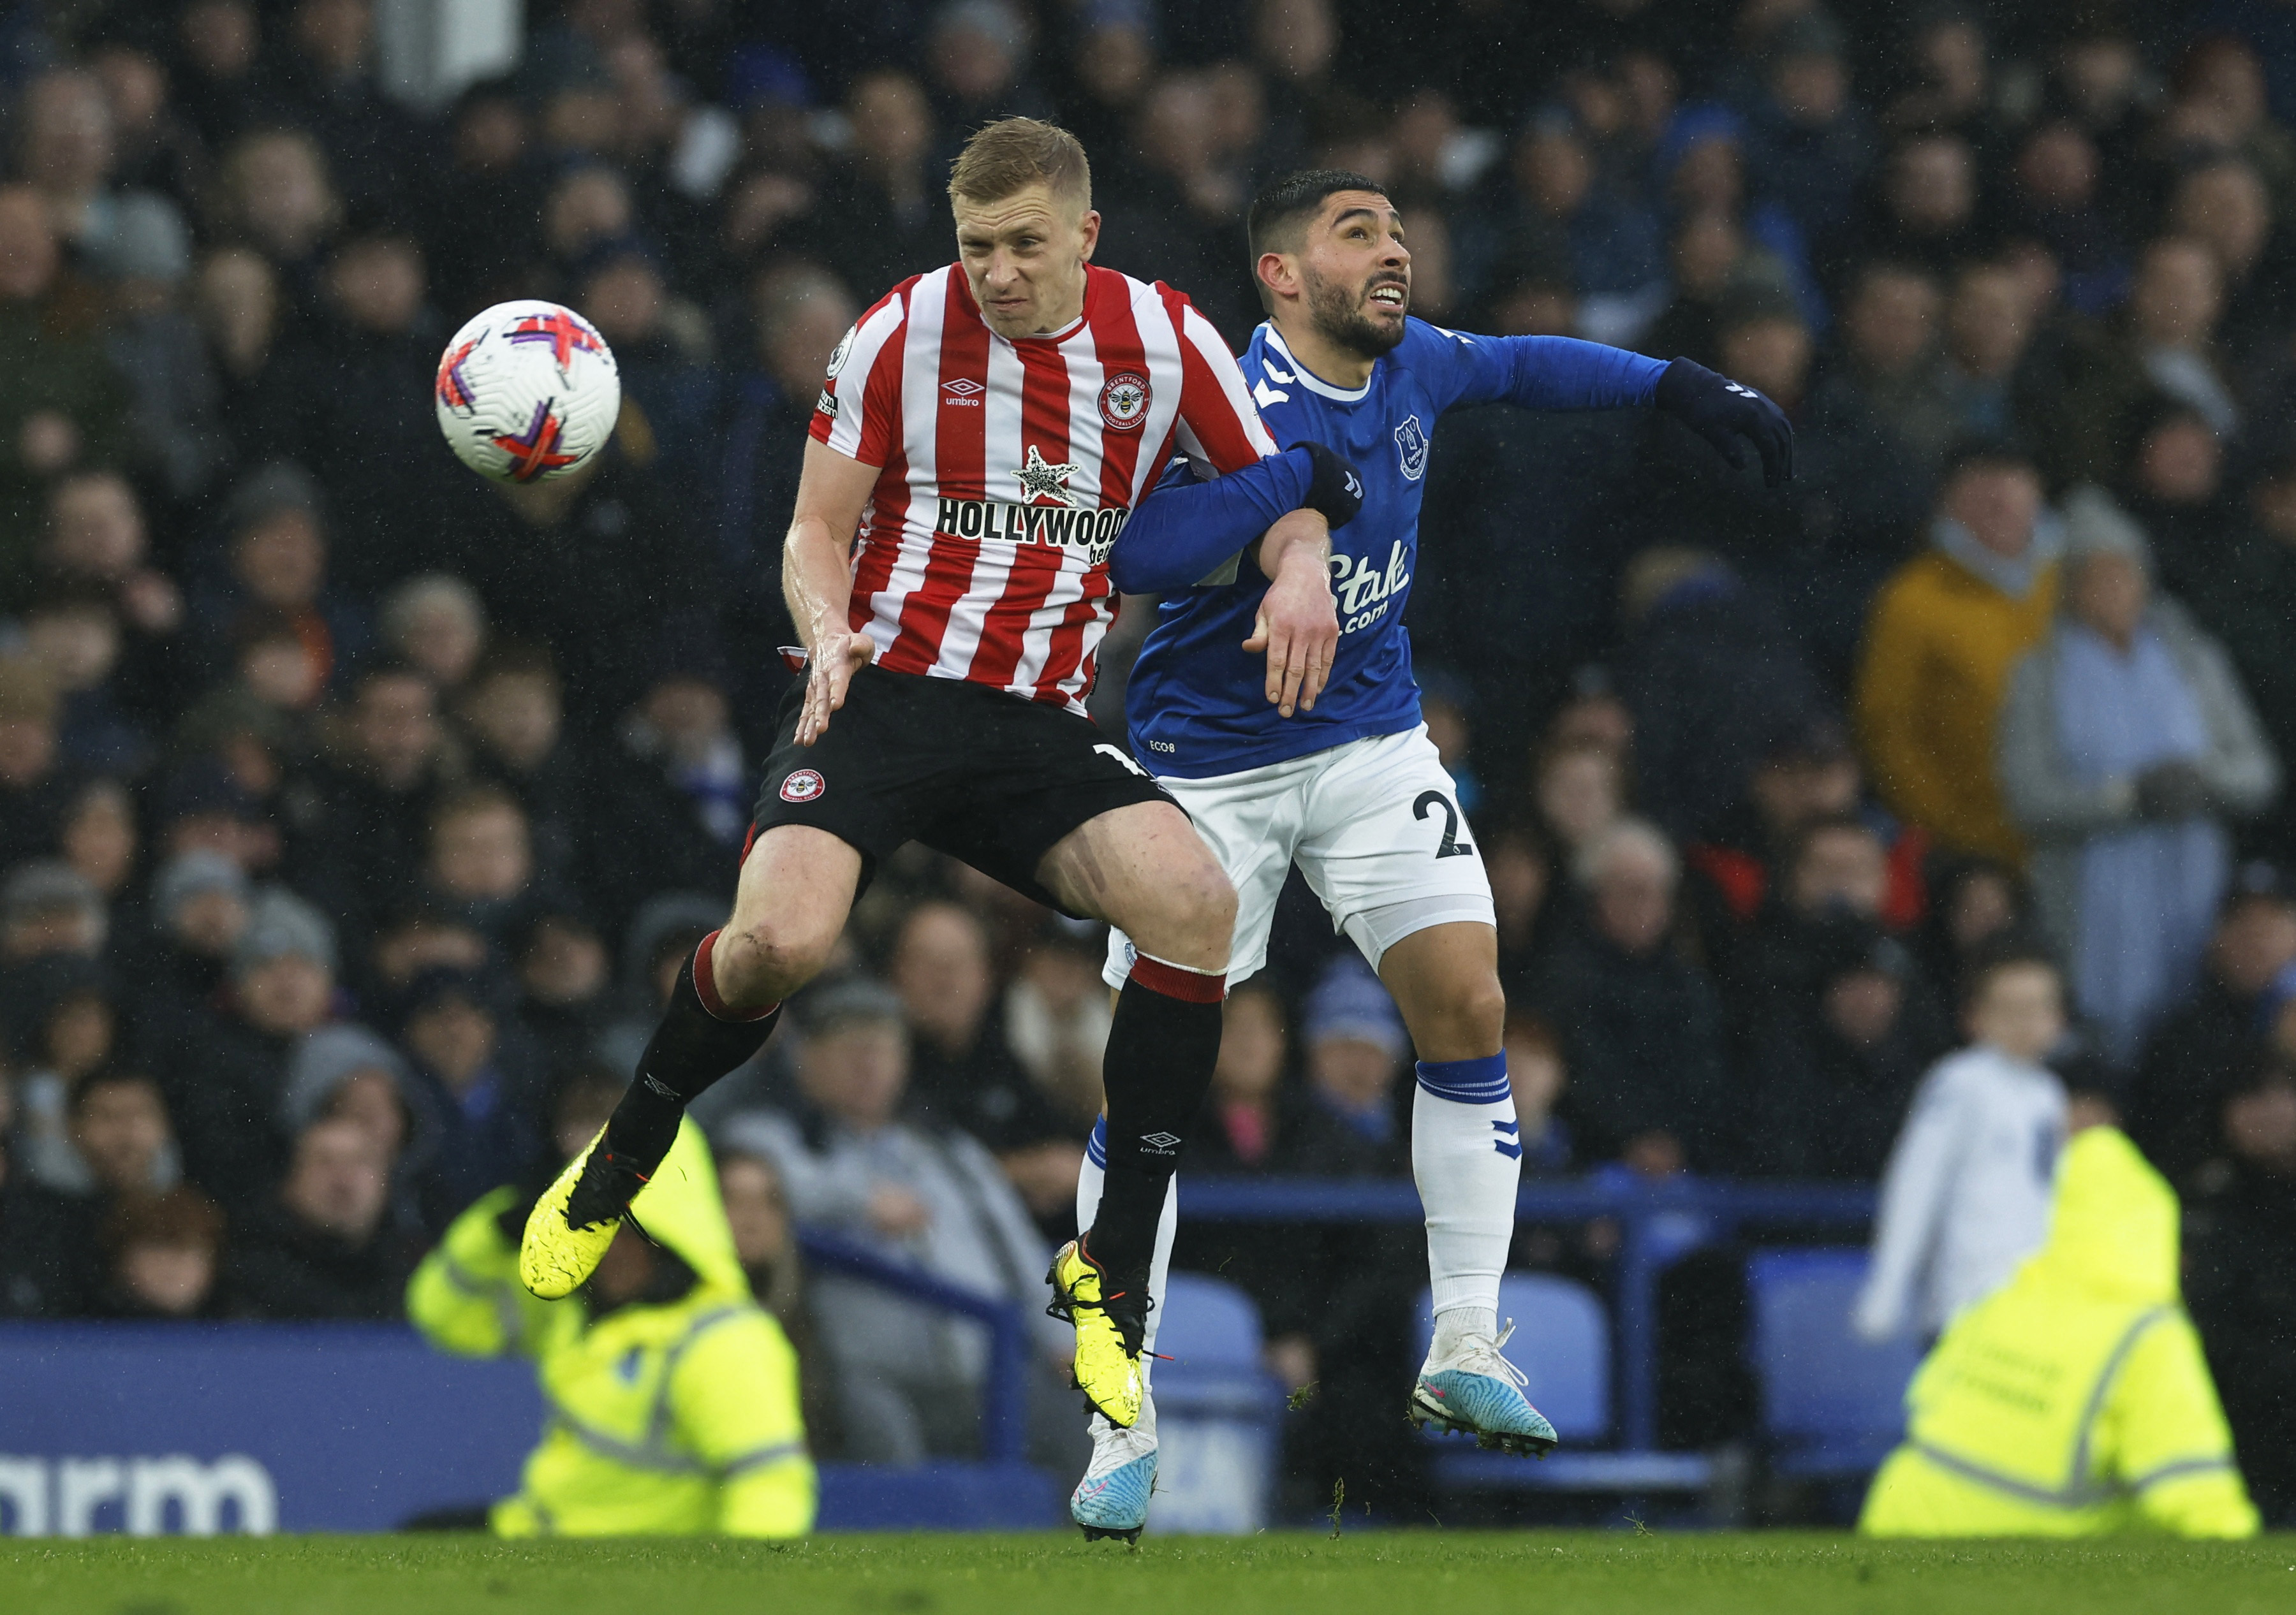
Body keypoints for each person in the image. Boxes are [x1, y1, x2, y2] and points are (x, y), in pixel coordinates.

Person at [518, 118, 1363, 1454]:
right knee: (776, 944)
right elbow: (814, 528)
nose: (999, 273)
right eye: (978, 247)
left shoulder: (1167, 342)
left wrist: (1304, 562)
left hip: (1032, 722)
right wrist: (829, 621)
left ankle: (1113, 1268)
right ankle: (624, 1154)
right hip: (880, 695)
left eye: (1027, 246)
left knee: (1197, 905)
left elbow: (1282, 490)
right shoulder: (903, 335)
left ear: (1084, 236)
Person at [1082, 165, 1791, 1536]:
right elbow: (1135, 550)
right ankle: (1122, 1419)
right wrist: (1277, 509)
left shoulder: (1417, 364)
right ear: (1282, 274)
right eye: (1359, 234)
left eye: (1401, 231)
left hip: (1368, 742)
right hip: (1208, 768)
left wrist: (1677, 386)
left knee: (1470, 1000)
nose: (1395, 252)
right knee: (1151, 1082)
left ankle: (1466, 1342)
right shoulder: (1223, 398)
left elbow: (1530, 363)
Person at [407, 1117, 814, 1538]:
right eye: (595, 1225)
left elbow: (770, 1486)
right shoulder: (578, 1308)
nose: (607, 1245)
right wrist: (497, 1228)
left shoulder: (725, 1341)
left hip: (628, 1570)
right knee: (417, 1538)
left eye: (628, 1231)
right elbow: (442, 1316)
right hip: (542, 1535)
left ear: (671, 1239)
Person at [1860, 1127, 2258, 1538]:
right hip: (2017, 1553)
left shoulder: (2008, 1295)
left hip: (1897, 1523)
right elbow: (2192, 1481)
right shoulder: (2148, 1333)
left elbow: (1926, 1399)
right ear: (2155, 1227)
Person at [1996, 488, 2278, 1065]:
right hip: (2086, 902)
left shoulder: (2192, 660)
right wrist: (2126, 798)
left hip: (2193, 879)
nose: (2114, 589)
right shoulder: (2038, 676)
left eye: (2124, 573)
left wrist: (2201, 781)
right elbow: (2027, 797)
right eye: (2096, 576)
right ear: (2070, 588)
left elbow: (2257, 773)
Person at [1855, 440, 2062, 866]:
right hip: (1978, 849)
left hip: (2084, 833)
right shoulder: (1910, 600)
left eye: (2013, 484)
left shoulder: (2071, 582)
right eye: (1982, 487)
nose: (2001, 501)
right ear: (1947, 501)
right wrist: (1950, 827)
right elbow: (1889, 728)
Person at [1854, 945, 2070, 1343]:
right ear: (1976, 1016)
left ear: (2058, 1018)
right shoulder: (1960, 1081)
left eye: (2036, 1008)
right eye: (2009, 1009)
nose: (2024, 1023)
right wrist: (1887, 1288)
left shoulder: (2049, 1095)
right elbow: (1916, 1182)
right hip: (1965, 1306)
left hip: (2032, 1309)